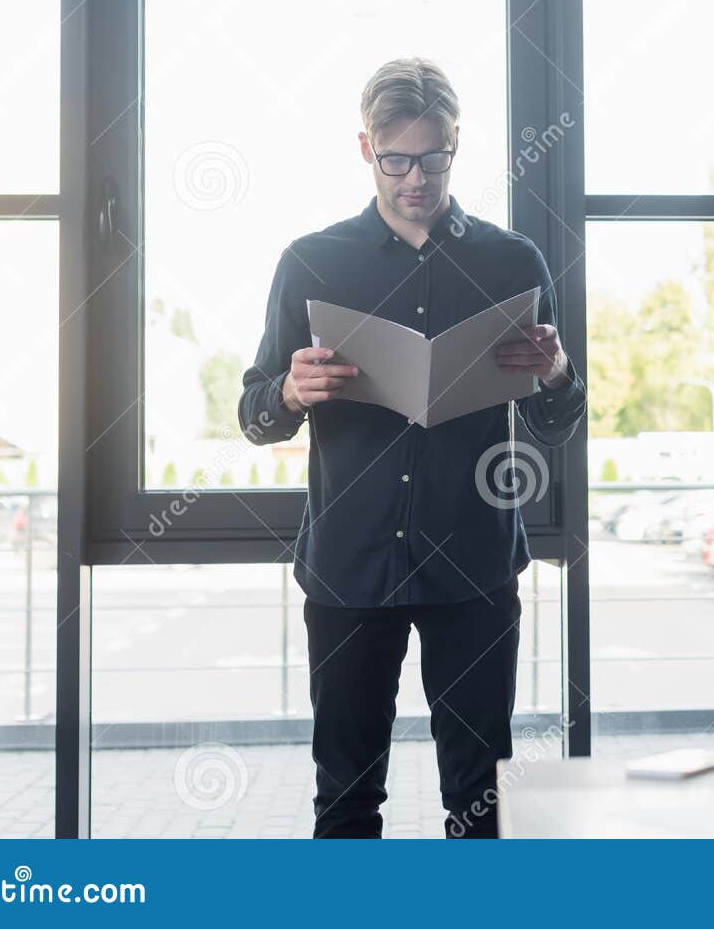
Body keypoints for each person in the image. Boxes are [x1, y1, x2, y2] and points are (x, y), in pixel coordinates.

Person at [238, 57, 585, 838]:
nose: (416, 178)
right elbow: (256, 414)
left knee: (479, 801)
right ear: (366, 149)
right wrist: (289, 391)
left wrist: (556, 371)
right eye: (397, 159)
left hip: (474, 566)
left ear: (456, 145)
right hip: (350, 567)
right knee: (347, 799)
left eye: (434, 158)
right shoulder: (311, 262)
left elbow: (558, 423)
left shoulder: (512, 262)